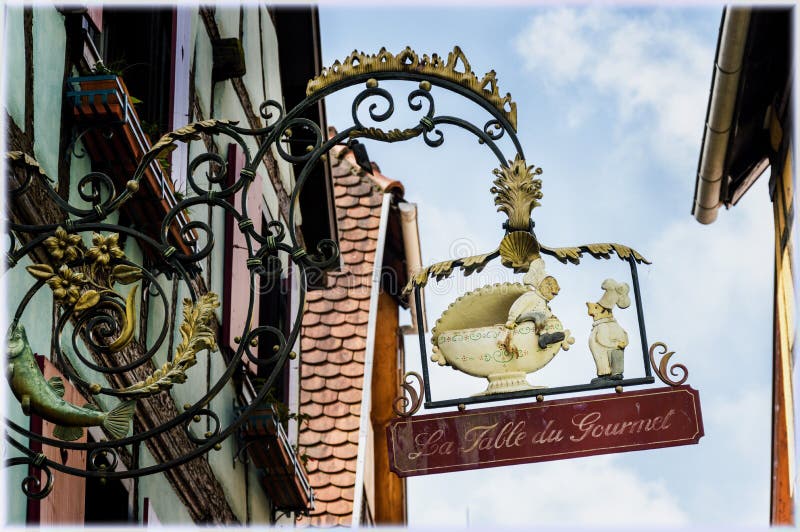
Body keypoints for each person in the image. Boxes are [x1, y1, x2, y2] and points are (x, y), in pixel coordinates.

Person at [505, 258, 565, 349]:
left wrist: (551, 316)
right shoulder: (531, 295)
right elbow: (519, 306)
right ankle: (543, 336)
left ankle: (548, 336)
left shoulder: (544, 302)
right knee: (538, 315)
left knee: (540, 316)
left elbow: (544, 312)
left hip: (535, 318)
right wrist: (511, 319)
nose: (551, 291)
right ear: (541, 286)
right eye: (548, 286)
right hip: (521, 317)